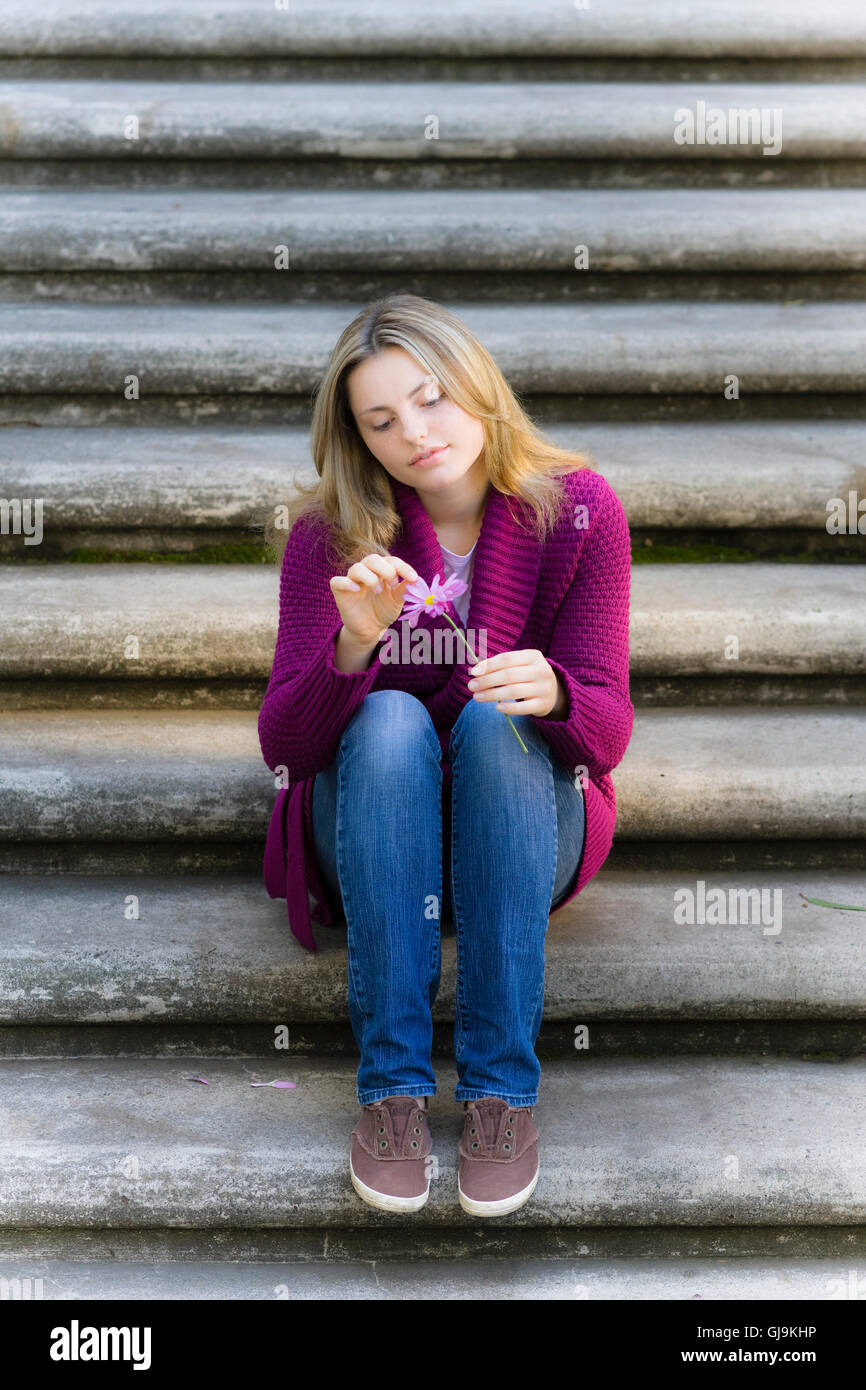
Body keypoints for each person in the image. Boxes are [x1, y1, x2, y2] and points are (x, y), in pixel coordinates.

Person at [258, 293, 633, 1218]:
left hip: (519, 832)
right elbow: (288, 748)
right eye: (381, 421)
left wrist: (555, 693)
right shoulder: (332, 537)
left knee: (491, 723)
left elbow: (608, 727)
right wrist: (352, 649)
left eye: (431, 399)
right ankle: (391, 1093)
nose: (415, 434)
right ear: (357, 438)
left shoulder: (578, 510)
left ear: (476, 387)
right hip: (380, 839)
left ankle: (503, 1095)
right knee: (387, 720)